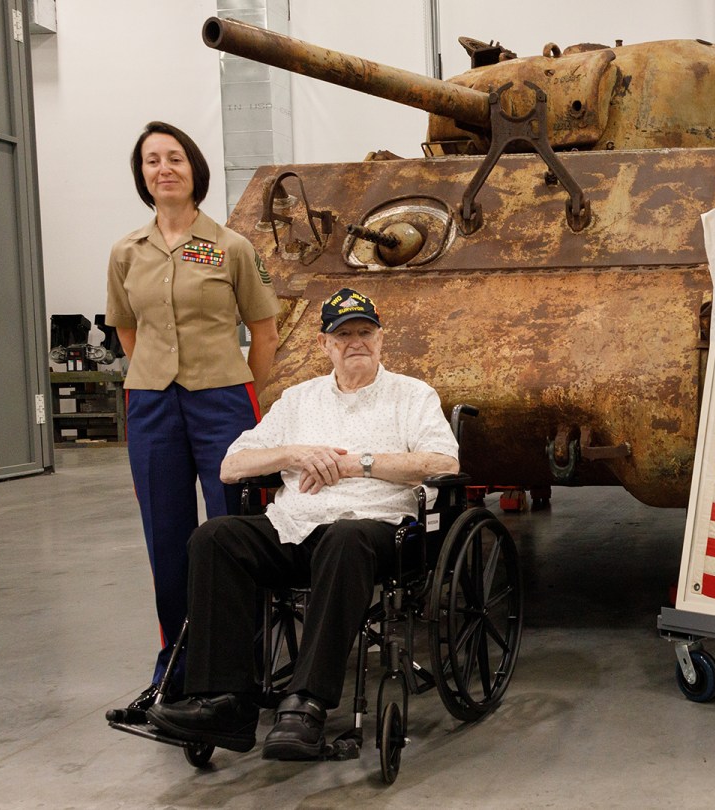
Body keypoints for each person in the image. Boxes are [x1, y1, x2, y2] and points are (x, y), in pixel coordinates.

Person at [147, 288, 460, 760]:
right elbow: (231, 466)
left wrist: (358, 464)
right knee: (215, 538)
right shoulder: (299, 400)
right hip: (296, 525)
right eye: (343, 334)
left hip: (376, 526)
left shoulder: (412, 395)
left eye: (365, 332)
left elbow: (444, 463)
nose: (355, 342)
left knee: (346, 537)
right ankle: (223, 700)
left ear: (381, 339)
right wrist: (297, 453)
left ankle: (307, 702)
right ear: (324, 345)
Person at [104, 122, 281, 725]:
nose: (164, 169)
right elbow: (126, 328)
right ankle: (173, 677)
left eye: (174, 157)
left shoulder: (232, 246)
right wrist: (154, 372)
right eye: (152, 161)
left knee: (234, 534)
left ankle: (239, 676)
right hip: (153, 406)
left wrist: (250, 395)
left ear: (194, 168)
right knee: (167, 540)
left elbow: (264, 330)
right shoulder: (127, 250)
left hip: (224, 402)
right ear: (143, 175)